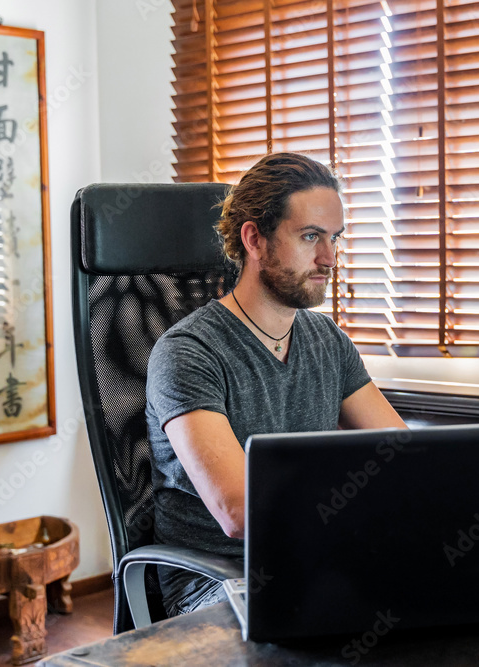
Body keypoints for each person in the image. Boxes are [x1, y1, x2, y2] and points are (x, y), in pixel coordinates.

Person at [145, 153, 407, 617]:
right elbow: (242, 513)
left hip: (315, 557)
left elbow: (403, 461)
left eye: (334, 239)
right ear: (255, 239)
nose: (329, 258)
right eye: (310, 237)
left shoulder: (328, 341)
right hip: (218, 579)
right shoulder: (187, 352)